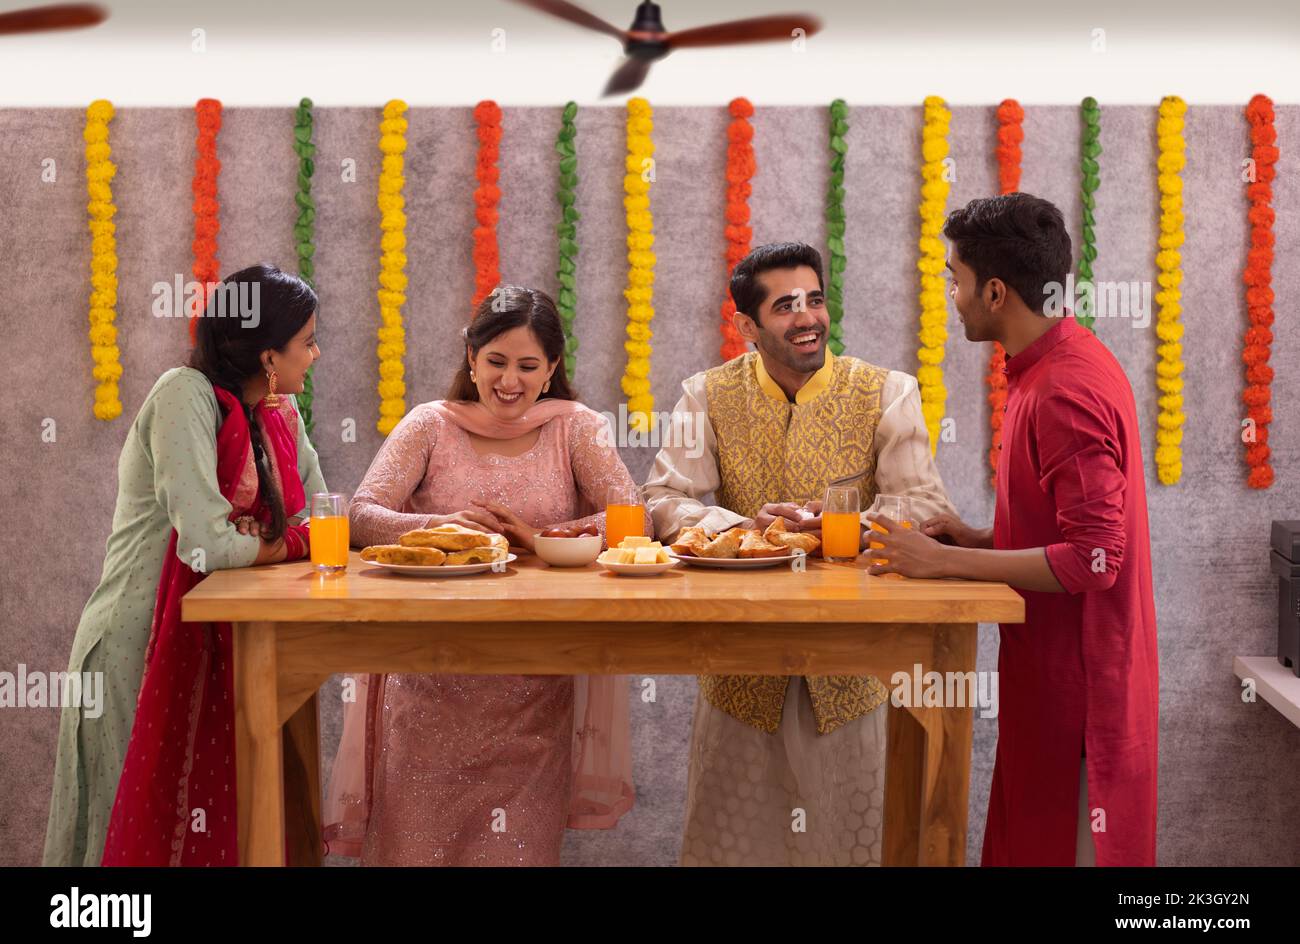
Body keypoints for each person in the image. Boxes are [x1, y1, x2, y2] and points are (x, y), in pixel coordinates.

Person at [865, 193, 1159, 866]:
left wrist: (943, 566)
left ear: (995, 290)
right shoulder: (1051, 364)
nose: (951, 294)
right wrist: (976, 539)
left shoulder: (1063, 390)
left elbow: (1093, 560)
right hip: (1049, 681)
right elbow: (1068, 531)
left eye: (955, 278)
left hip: (1083, 698)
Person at [643, 242, 955, 865]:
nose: (807, 316)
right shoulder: (705, 395)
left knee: (851, 841)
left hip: (852, 664)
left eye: (814, 299)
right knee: (731, 845)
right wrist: (739, 526)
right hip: (739, 659)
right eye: (785, 305)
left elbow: (925, 505)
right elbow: (661, 497)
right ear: (748, 326)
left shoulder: (886, 391)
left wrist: (841, 524)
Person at [324, 285, 641, 865]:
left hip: (533, 681)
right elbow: (360, 516)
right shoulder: (430, 425)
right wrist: (434, 527)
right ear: (470, 360)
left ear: (551, 370)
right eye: (495, 362)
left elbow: (632, 518)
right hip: (427, 677)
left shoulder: (577, 428)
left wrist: (542, 539)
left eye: (527, 365)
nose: (509, 381)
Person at [43, 263, 326, 866]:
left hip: (225, 638)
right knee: (123, 828)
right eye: (307, 341)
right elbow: (209, 546)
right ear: (269, 353)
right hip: (139, 641)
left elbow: (324, 519)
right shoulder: (184, 394)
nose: (316, 353)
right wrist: (278, 541)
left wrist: (265, 535)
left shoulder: (277, 414)